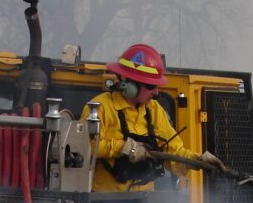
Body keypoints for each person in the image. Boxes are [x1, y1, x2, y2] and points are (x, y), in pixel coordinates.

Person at [80, 43, 225, 193]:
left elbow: (173, 153)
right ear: (129, 85)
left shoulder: (154, 110)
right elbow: (83, 147)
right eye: (150, 86)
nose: (155, 92)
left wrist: (198, 161)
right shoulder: (100, 108)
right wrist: (123, 147)